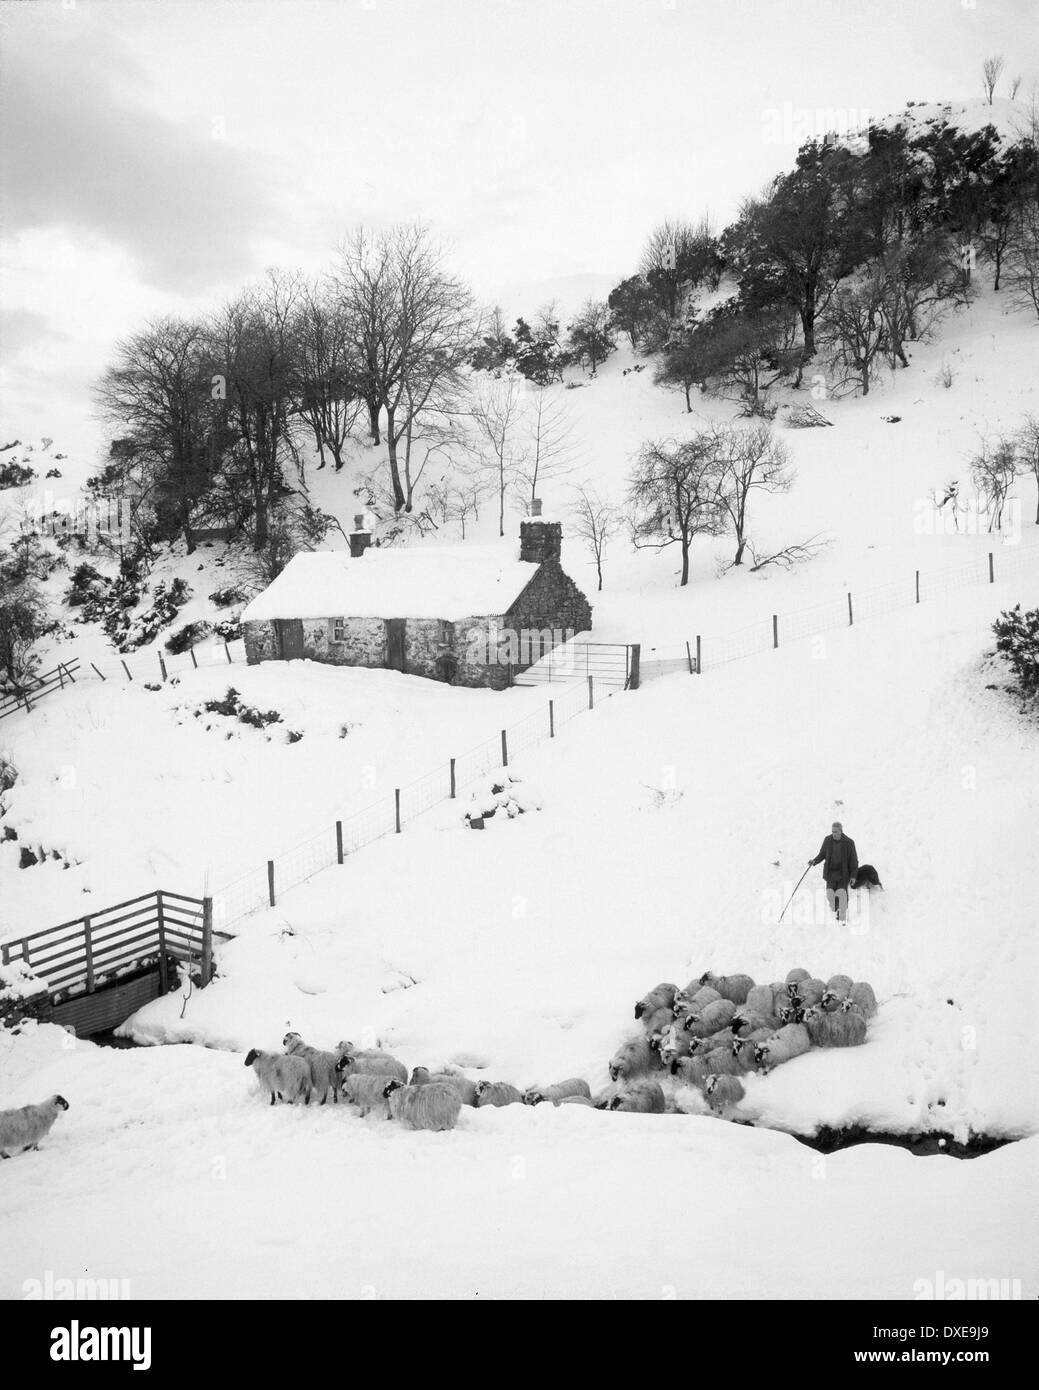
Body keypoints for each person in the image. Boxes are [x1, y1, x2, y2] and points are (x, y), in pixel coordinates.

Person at [808, 821, 858, 923]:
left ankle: (842, 916)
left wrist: (853, 876)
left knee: (842, 894)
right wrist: (814, 861)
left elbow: (854, 861)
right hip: (830, 873)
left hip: (843, 874)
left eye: (835, 832)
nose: (833, 834)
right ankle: (836, 908)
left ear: (841, 831)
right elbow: (822, 854)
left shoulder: (849, 843)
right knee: (830, 894)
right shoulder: (827, 840)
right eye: (832, 831)